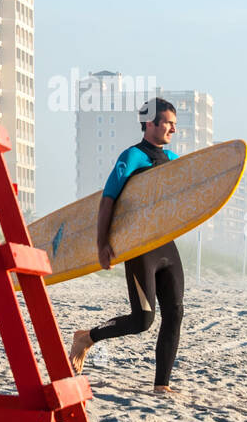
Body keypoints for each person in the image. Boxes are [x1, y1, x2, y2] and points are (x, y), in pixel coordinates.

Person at [69, 98, 185, 396]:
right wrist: (102, 242)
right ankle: (87, 337)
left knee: (174, 313)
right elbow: (108, 199)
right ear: (150, 124)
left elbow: (197, 182)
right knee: (142, 320)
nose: (174, 127)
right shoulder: (131, 156)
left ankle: (162, 385)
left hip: (166, 246)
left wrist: (232, 163)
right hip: (140, 249)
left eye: (174, 122)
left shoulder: (172, 159)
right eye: (168, 122)